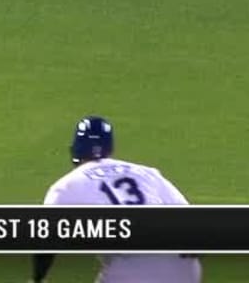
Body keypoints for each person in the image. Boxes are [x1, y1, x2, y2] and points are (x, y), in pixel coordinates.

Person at [30, 116, 200, 283]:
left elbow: (46, 238)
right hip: (183, 267)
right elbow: (191, 221)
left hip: (130, 268)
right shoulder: (147, 173)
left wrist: (38, 278)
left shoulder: (67, 184)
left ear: (76, 149)